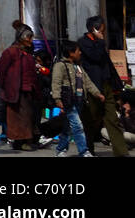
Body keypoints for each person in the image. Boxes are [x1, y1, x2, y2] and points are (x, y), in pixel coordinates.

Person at [78, 16, 128, 156]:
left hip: (106, 85)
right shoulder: (84, 43)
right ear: (93, 28)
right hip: (93, 86)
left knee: (112, 119)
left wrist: (117, 84)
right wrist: (100, 42)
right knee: (91, 119)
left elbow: (108, 65)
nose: (103, 33)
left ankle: (121, 151)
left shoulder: (100, 43)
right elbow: (95, 57)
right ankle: (87, 148)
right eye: (100, 29)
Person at [51, 40, 103, 157]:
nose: (80, 53)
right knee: (78, 126)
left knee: (67, 126)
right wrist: (57, 99)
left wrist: (97, 93)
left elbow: (87, 82)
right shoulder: (60, 66)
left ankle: (60, 149)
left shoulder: (78, 67)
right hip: (68, 102)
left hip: (79, 102)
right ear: (71, 53)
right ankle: (84, 151)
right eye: (78, 51)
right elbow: (56, 83)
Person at [0, 25, 39, 150]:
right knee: (17, 118)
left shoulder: (28, 53)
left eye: (31, 38)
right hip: (15, 90)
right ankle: (21, 142)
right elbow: (1, 71)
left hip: (28, 89)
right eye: (28, 38)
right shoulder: (10, 52)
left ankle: (26, 140)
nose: (30, 41)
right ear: (21, 38)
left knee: (27, 116)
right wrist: (5, 86)